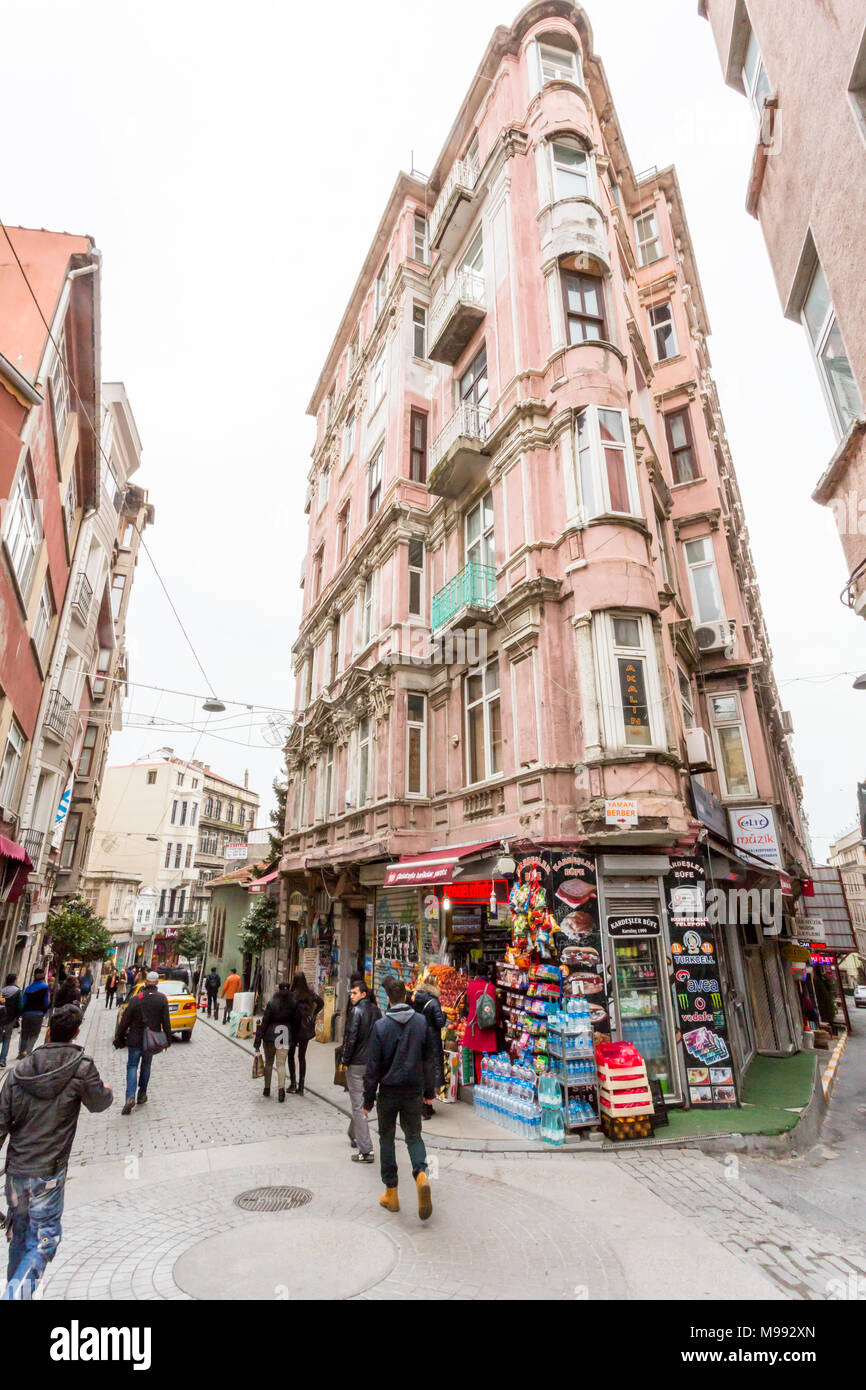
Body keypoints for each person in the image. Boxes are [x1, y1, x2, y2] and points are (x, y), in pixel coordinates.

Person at [0, 1004, 113, 1300]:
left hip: (16, 1172)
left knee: (20, 1237)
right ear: (76, 1032)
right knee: (43, 1242)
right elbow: (99, 1102)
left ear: (49, 1030)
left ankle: (15, 1289)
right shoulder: (81, 1066)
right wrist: (109, 1090)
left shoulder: (18, 1071)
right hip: (47, 1173)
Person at [363, 975, 434, 1220]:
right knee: (414, 1137)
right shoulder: (421, 1023)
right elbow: (429, 1060)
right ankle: (421, 1174)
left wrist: (367, 1100)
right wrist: (429, 1093)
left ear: (388, 999)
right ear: (405, 996)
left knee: (387, 1139)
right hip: (413, 1090)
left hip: (389, 1092)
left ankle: (391, 1193)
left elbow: (373, 1067)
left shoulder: (381, 1026)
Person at [113, 970, 172, 1115]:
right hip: (150, 1041)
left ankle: (130, 1096)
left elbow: (124, 1021)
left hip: (135, 1039)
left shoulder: (136, 998)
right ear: (157, 982)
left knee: (132, 1066)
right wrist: (167, 1040)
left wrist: (119, 1037)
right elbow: (166, 1022)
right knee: (146, 1066)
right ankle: (142, 1094)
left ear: (146, 982)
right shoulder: (162, 999)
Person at [341, 978, 381, 1163]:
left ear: (363, 994)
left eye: (354, 993)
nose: (351, 996)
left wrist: (344, 1060)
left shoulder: (356, 1011)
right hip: (372, 1062)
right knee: (360, 1100)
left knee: (358, 1104)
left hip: (357, 1063)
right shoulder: (376, 1011)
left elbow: (351, 1038)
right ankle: (354, 1132)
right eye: (350, 993)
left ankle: (366, 1150)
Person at [254, 982, 297, 1102]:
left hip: (270, 1036)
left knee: (269, 1063)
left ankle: (267, 1088)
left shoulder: (272, 1003)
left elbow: (265, 1021)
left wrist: (258, 1037)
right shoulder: (293, 1004)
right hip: (284, 1035)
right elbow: (295, 1023)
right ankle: (281, 1091)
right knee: (281, 1064)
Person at [412, 969, 447, 1119]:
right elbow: (439, 1022)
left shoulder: (417, 998)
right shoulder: (434, 1002)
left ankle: (427, 1105)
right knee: (431, 1073)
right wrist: (444, 1014)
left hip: (419, 1036)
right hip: (432, 1039)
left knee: (422, 1071)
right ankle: (424, 1107)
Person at [287, 972, 323, 1096]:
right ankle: (301, 1086)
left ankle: (293, 1083)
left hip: (293, 1029)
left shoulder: (292, 995)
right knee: (302, 1057)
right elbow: (321, 1003)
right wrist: (313, 1014)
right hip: (305, 1029)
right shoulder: (310, 994)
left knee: (291, 1056)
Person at [463, 963, 498, 1084]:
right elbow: (493, 1008)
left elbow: (469, 1003)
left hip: (474, 1023)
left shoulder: (470, 986)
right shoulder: (491, 988)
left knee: (478, 1056)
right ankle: (488, 1082)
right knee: (488, 1056)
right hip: (487, 1024)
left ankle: (480, 1081)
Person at [18, 970, 51, 1059]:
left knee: (24, 1033)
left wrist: (22, 1012)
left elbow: (23, 1002)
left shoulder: (28, 988)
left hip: (27, 1014)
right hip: (38, 1014)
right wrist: (44, 1011)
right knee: (34, 1034)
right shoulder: (45, 987)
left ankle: (21, 1052)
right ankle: (28, 1051)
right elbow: (47, 1002)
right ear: (43, 977)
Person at [0, 974, 22, 1068]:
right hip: (10, 1019)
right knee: (7, 1039)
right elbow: (20, 1006)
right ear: (14, 980)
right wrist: (17, 1017)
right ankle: (2, 1060)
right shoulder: (17, 991)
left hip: (0, 1018)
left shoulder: (2, 990)